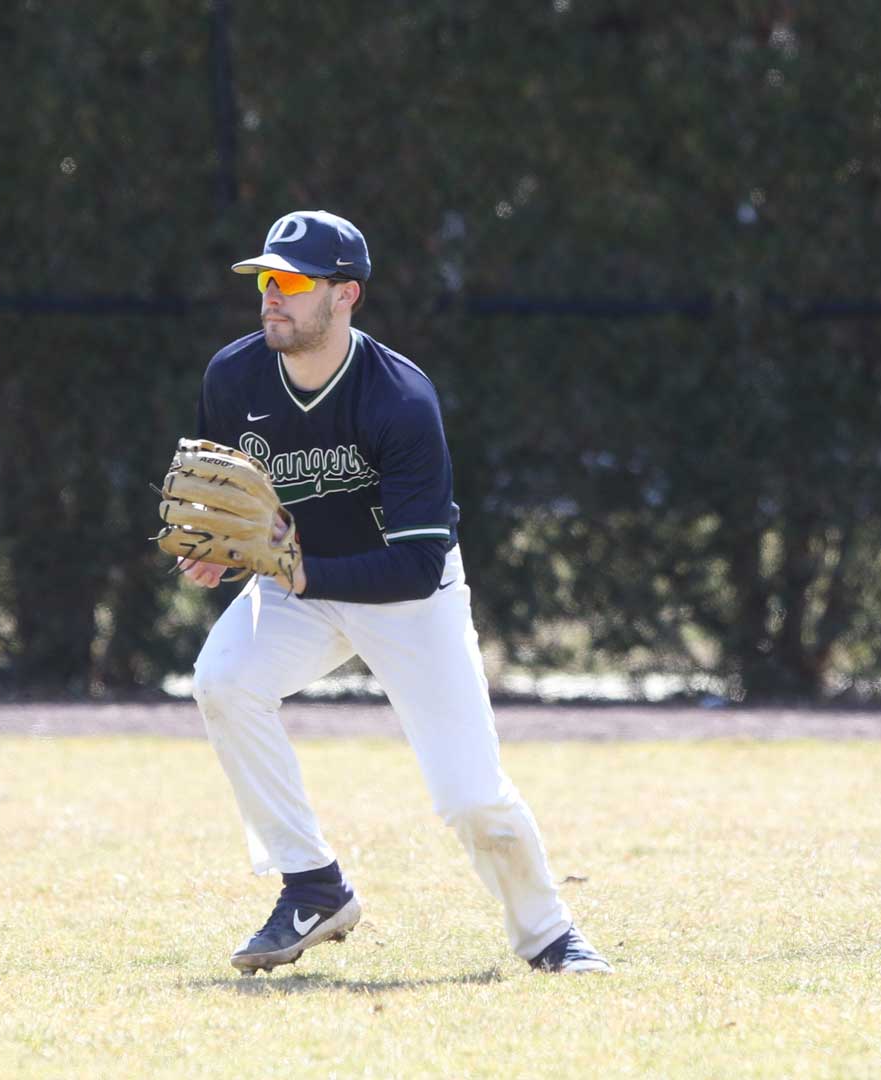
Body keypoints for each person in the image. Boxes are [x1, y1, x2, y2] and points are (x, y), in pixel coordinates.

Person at [177, 210, 612, 976]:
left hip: (408, 596)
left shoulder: (399, 399)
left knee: (471, 797)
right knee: (223, 681)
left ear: (345, 295)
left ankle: (548, 934)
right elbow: (233, 504)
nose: (270, 297)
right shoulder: (233, 376)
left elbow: (414, 567)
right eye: (264, 280)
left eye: (290, 282)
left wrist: (300, 572)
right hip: (297, 584)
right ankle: (312, 884)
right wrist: (218, 552)